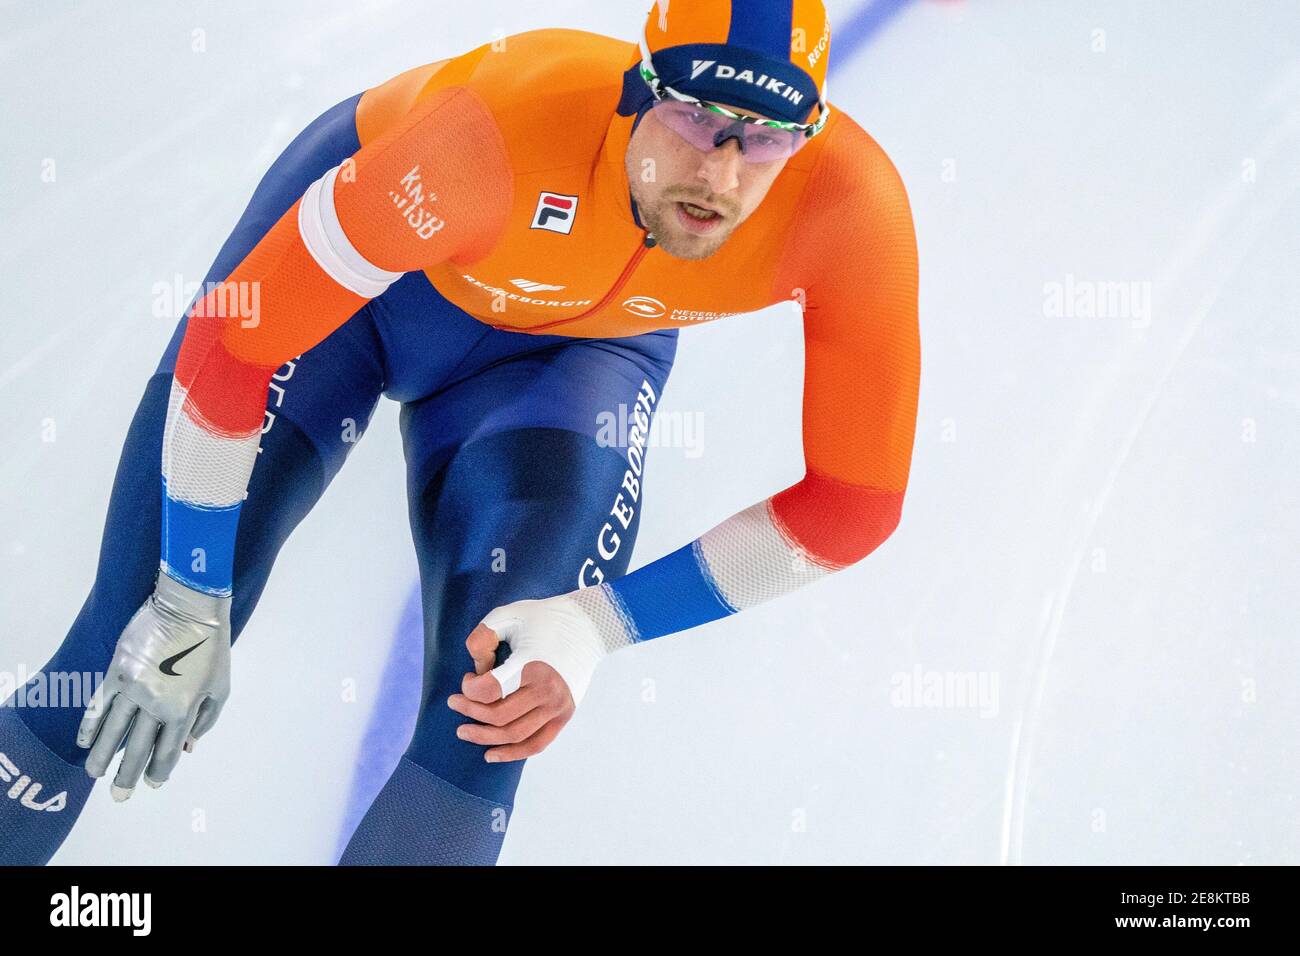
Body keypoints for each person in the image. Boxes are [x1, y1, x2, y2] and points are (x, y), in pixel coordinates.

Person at [0, 0, 919, 865]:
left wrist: (599, 626)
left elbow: (854, 508)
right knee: (127, 632)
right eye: (694, 121)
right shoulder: (496, 132)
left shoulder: (849, 209)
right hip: (365, 302)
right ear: (639, 92)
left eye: (764, 138)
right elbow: (235, 350)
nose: (720, 175)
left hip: (570, 363)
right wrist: (188, 595)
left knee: (495, 711)